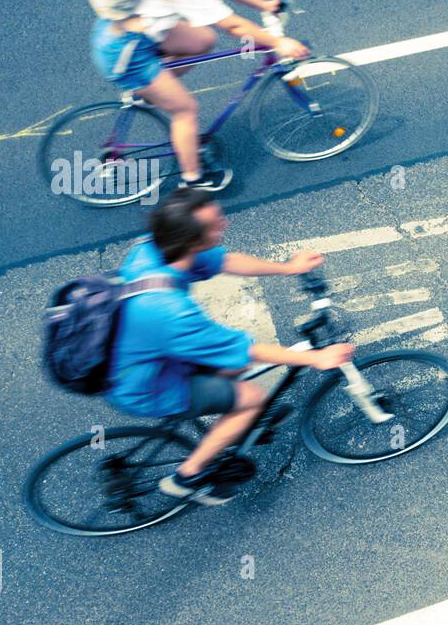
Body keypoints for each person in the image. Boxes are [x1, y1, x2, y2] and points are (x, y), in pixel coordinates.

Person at [106, 190, 354, 505]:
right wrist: (315, 356)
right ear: (193, 241)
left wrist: (288, 268)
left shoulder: (155, 248)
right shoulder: (168, 310)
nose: (224, 222)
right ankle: (189, 477)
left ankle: (231, 421)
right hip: (144, 385)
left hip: (146, 353)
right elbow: (245, 349)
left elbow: (225, 260)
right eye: (215, 224)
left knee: (234, 369)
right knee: (253, 398)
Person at [86, 0, 310, 192]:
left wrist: (263, 5)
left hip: (137, 32)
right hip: (125, 53)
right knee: (186, 110)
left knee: (203, 40)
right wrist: (279, 42)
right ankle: (193, 180)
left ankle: (150, 93)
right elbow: (233, 26)